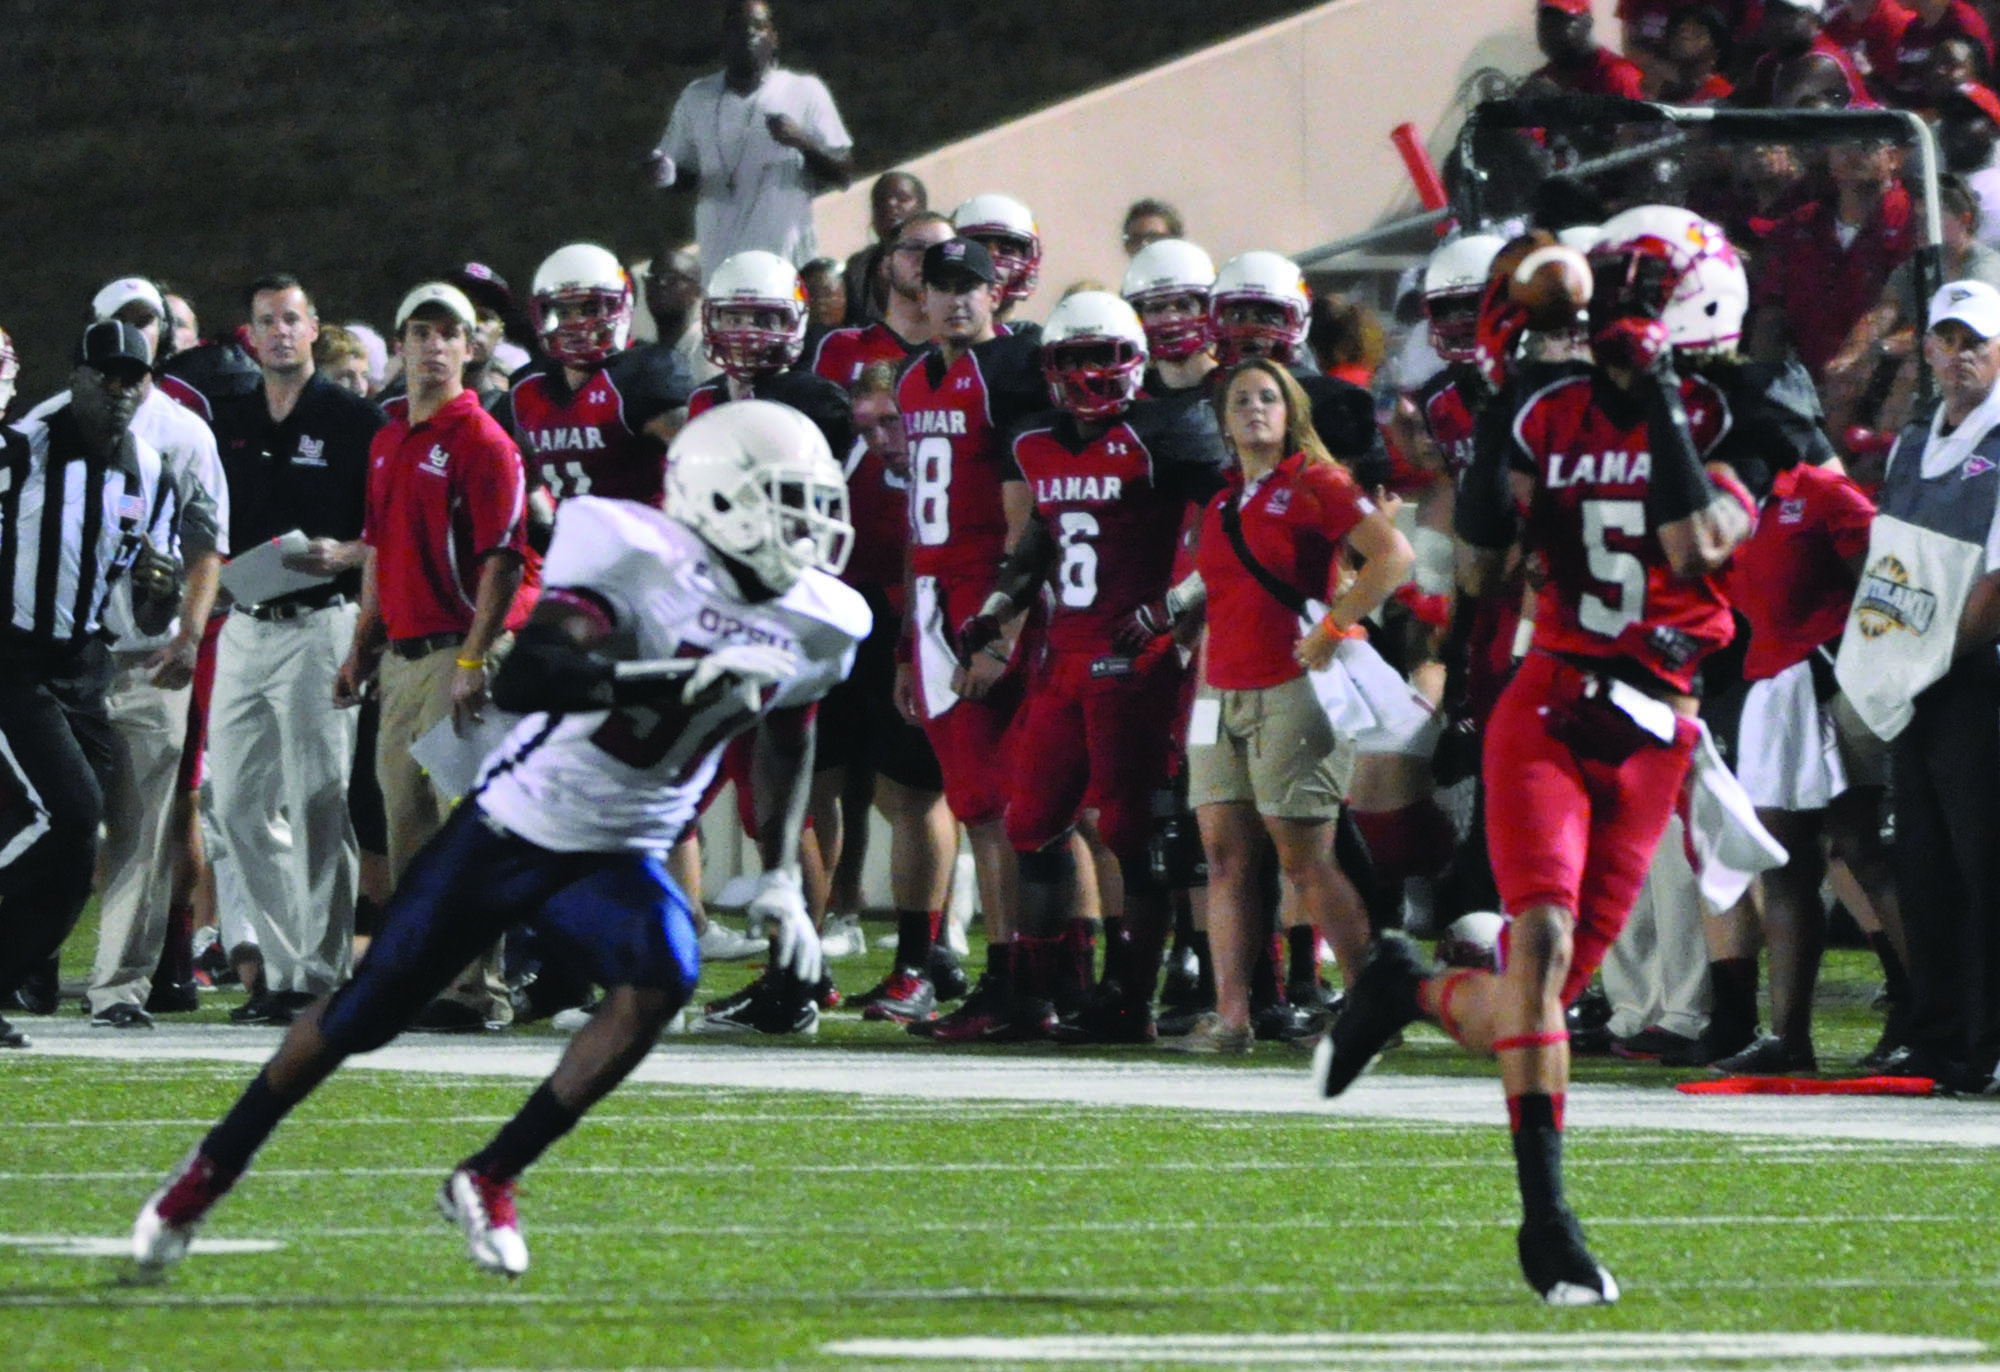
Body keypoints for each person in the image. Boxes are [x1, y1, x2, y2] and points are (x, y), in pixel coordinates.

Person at [132, 400, 866, 1277]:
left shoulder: (825, 616)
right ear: (717, 500)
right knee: (364, 1016)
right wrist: (672, 675)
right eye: (788, 501)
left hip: (619, 854)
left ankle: (490, 1175)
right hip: (515, 829)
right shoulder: (635, 554)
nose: (813, 526)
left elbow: (788, 731)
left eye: (818, 502)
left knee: (665, 974)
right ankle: (211, 1166)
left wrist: (782, 872)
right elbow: (543, 672)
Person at [1315, 207, 1758, 1306]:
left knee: (1534, 991)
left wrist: (1648, 394)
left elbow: (1698, 545)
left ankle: (1404, 987)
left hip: (1653, 731)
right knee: (1543, 941)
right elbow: (1479, 553)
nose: (1612, 319)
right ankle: (1547, 1221)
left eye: (1630, 297)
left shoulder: (1747, 412)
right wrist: (1514, 401)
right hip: (1552, 701)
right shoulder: (1544, 410)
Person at [952, 292, 1231, 1041]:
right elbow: (1041, 541)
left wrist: (1177, 605)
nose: (1087, 374)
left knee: (1128, 829)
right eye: (1073, 358)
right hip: (1063, 654)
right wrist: (997, 611)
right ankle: (1045, 991)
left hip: (1133, 655)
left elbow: (1231, 529)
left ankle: (1129, 995)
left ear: (1134, 360)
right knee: (1030, 822)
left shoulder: (1167, 435)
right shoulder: (1036, 439)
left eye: (1103, 356)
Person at [1165, 359, 1412, 1053]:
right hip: (1222, 689)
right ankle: (1233, 1017)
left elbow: (1391, 557)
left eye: (1268, 397)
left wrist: (1334, 629)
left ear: (1290, 410)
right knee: (1222, 855)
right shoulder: (1220, 502)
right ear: (1222, 418)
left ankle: (1372, 1008)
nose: (1253, 408)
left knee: (1306, 858)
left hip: (1293, 689)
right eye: (1240, 398)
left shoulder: (1316, 482)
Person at [335, 283, 537, 1034]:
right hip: (405, 655)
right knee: (406, 824)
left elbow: (505, 558)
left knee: (471, 826)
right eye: (418, 331)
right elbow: (379, 551)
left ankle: (478, 990)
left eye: (445, 333)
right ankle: (429, 978)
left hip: (459, 647)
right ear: (400, 344)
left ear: (469, 347)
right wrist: (361, 648)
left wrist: (474, 659)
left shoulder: (484, 441)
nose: (431, 346)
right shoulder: (389, 439)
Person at [27, 281, 228, 1029]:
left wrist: (190, 631)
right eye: (116, 341)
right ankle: (31, 965)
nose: (120, 380)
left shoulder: (184, 437)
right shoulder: (37, 432)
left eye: (141, 348)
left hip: (147, 656)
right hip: (59, 661)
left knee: (141, 830)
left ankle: (117, 987)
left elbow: (209, 544)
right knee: (59, 821)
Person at [205, 273, 386, 1025]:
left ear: (315, 327)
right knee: (239, 802)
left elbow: (382, 530)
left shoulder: (352, 418)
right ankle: (280, 967)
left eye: (292, 318)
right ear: (249, 337)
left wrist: (343, 556)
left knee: (316, 800)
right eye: (266, 321)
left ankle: (315, 973)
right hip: (248, 622)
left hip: (320, 620)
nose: (280, 331)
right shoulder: (233, 417)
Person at [1834, 279, 2000, 1090]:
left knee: (1984, 866)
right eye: (1948, 338)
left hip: (1975, 683)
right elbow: (1887, 572)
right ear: (1927, 347)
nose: (1961, 354)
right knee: (1928, 867)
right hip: (1920, 685)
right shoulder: (1909, 443)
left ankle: (1986, 1042)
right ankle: (1939, 1037)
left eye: (1978, 340)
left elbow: (1995, 592)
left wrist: (1919, 667)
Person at [0, 321, 183, 1049]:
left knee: (78, 859)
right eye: (103, 375)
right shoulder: (20, 447)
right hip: (12, 656)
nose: (116, 389)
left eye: (130, 377)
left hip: (84, 664)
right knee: (66, 813)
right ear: (74, 375)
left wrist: (161, 595)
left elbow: (148, 603)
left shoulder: (151, 470)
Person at [895, 239, 1049, 1042]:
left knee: (999, 804)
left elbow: (1027, 518)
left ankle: (1020, 977)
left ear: (999, 296)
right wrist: (903, 645)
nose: (958, 302)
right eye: (943, 287)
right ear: (920, 298)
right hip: (930, 601)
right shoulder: (912, 376)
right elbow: (916, 526)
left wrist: (1005, 627)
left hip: (982, 596)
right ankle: (1015, 974)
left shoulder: (1009, 371)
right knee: (975, 801)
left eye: (972, 288)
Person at [825, 363, 962, 1020]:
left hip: (938, 632)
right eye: (868, 425)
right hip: (892, 631)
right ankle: (930, 953)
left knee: (920, 795)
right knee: (899, 794)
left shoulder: (948, 465)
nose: (880, 437)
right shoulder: (876, 467)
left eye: (890, 421)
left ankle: (921, 958)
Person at [648, 0, 855, 280]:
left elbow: (844, 173)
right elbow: (681, 174)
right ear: (724, 38)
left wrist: (802, 142)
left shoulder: (805, 91)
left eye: (758, 26)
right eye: (738, 28)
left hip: (788, 265)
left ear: (774, 36)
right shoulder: (696, 97)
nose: (749, 34)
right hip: (722, 265)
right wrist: (664, 173)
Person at [502, 243, 693, 509]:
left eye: (590, 309)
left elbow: (697, 467)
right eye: (563, 311)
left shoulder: (646, 372)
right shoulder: (528, 385)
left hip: (643, 541)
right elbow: (520, 480)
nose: (576, 323)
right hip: (571, 542)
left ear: (622, 306)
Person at [1750, 139, 1917, 381]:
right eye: (1843, 145)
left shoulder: (1916, 219)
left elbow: (1911, 312)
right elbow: (1772, 311)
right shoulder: (1800, 223)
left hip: (1887, 382)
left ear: (1893, 158)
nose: (1852, 154)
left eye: (1866, 145)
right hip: (1809, 383)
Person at [810, 211, 953, 386]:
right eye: (915, 248)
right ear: (886, 266)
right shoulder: (840, 346)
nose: (928, 259)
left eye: (942, 250)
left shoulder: (971, 350)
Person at [843, 170, 928, 324]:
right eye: (880, 200)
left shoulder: (939, 257)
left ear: (923, 208)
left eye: (902, 198)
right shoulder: (858, 266)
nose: (890, 205)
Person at [952, 194, 1043, 323]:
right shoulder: (928, 338)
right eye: (979, 247)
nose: (992, 257)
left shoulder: (1036, 341)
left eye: (1007, 250)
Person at [1530, 0, 1647, 98]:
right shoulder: (1541, 78)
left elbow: (1638, 124)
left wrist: (1560, 104)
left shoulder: (1617, 75)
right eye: (1545, 21)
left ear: (1588, 24)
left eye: (1560, 21)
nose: (1550, 31)